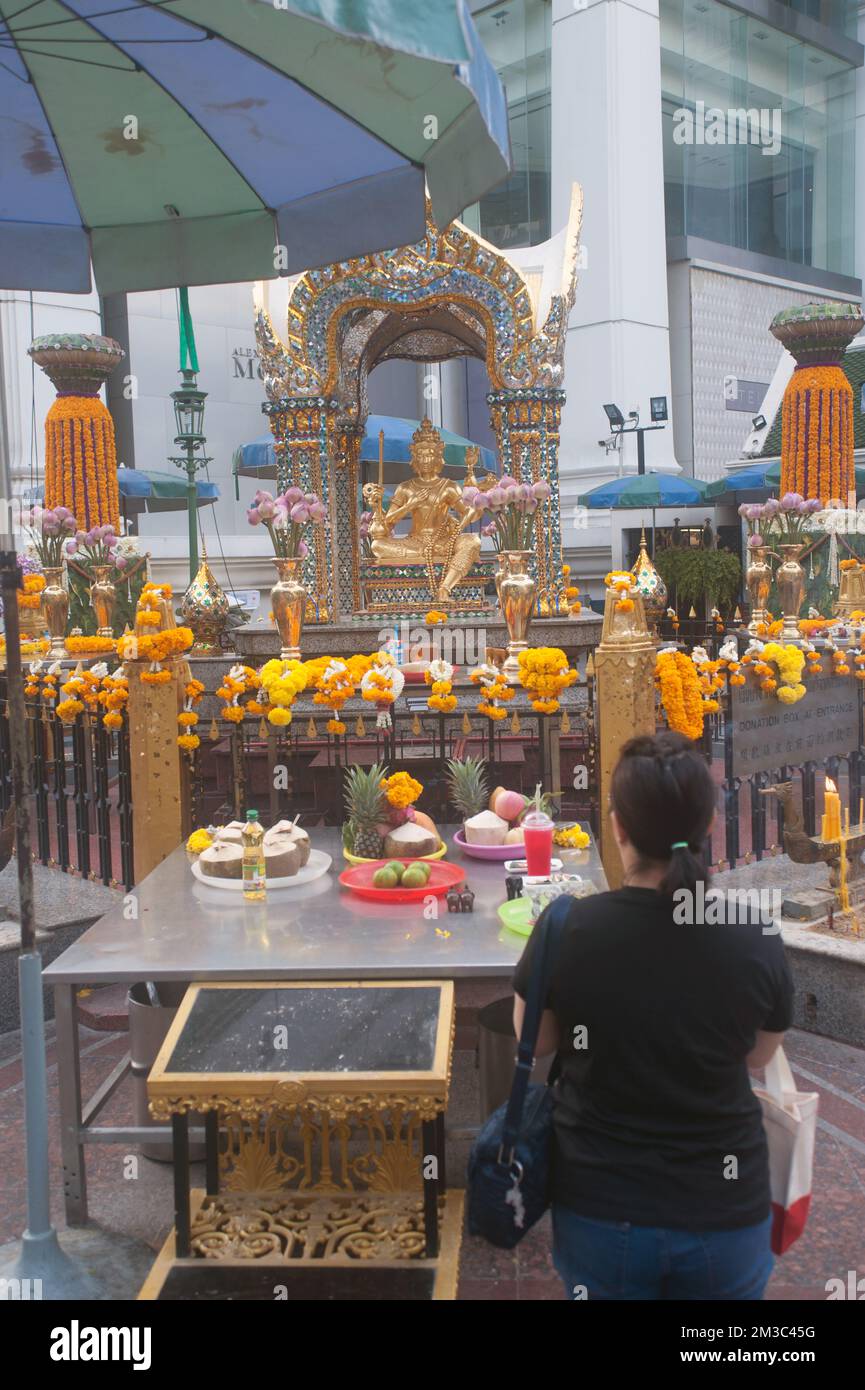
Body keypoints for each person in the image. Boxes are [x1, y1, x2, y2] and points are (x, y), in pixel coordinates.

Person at [513, 731, 792, 1301]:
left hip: (603, 1207)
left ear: (617, 826)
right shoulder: (755, 935)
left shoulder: (567, 927)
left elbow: (533, 1040)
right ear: (709, 825)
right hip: (726, 1207)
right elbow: (759, 1053)